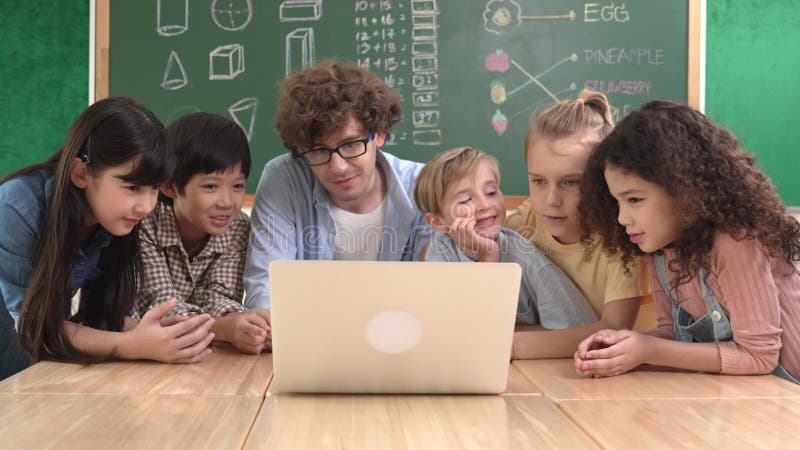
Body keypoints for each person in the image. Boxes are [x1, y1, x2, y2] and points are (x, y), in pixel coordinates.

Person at [574, 100, 800, 383]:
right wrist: (621, 346)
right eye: (617, 202)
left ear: (684, 191)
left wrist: (647, 349)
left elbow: (760, 356)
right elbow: (672, 337)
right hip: (744, 397)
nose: (622, 218)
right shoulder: (658, 249)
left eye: (634, 200)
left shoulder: (735, 242)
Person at [0, 97, 215, 380]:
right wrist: (132, 345)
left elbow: (102, 317)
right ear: (81, 174)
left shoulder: (112, 219)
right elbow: (35, 329)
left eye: (153, 189)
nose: (147, 206)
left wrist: (161, 334)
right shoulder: (16, 207)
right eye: (133, 187)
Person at [244, 61, 431, 318]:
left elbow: (439, 289)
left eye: (351, 144)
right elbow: (266, 289)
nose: (338, 167)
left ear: (379, 134)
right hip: (311, 343)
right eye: (319, 150)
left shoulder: (424, 185)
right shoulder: (283, 178)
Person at [505, 89, 653, 359]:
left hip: (628, 382)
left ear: (602, 180)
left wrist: (510, 345)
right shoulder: (525, 221)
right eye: (538, 181)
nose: (551, 200)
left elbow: (613, 328)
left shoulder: (623, 238)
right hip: (549, 372)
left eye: (571, 182)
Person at [414, 146, 596, 352]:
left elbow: (577, 326)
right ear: (437, 222)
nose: (484, 204)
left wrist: (489, 257)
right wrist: (488, 257)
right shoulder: (439, 253)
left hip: (527, 360)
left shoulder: (524, 256)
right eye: (465, 199)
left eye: (491, 192)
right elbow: (456, 329)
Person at [135, 112, 270, 354]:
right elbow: (160, 306)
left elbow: (221, 296)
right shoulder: (143, 224)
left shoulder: (238, 228)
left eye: (238, 186)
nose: (227, 202)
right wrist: (225, 328)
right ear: (170, 186)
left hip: (199, 358)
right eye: (211, 186)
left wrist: (245, 325)